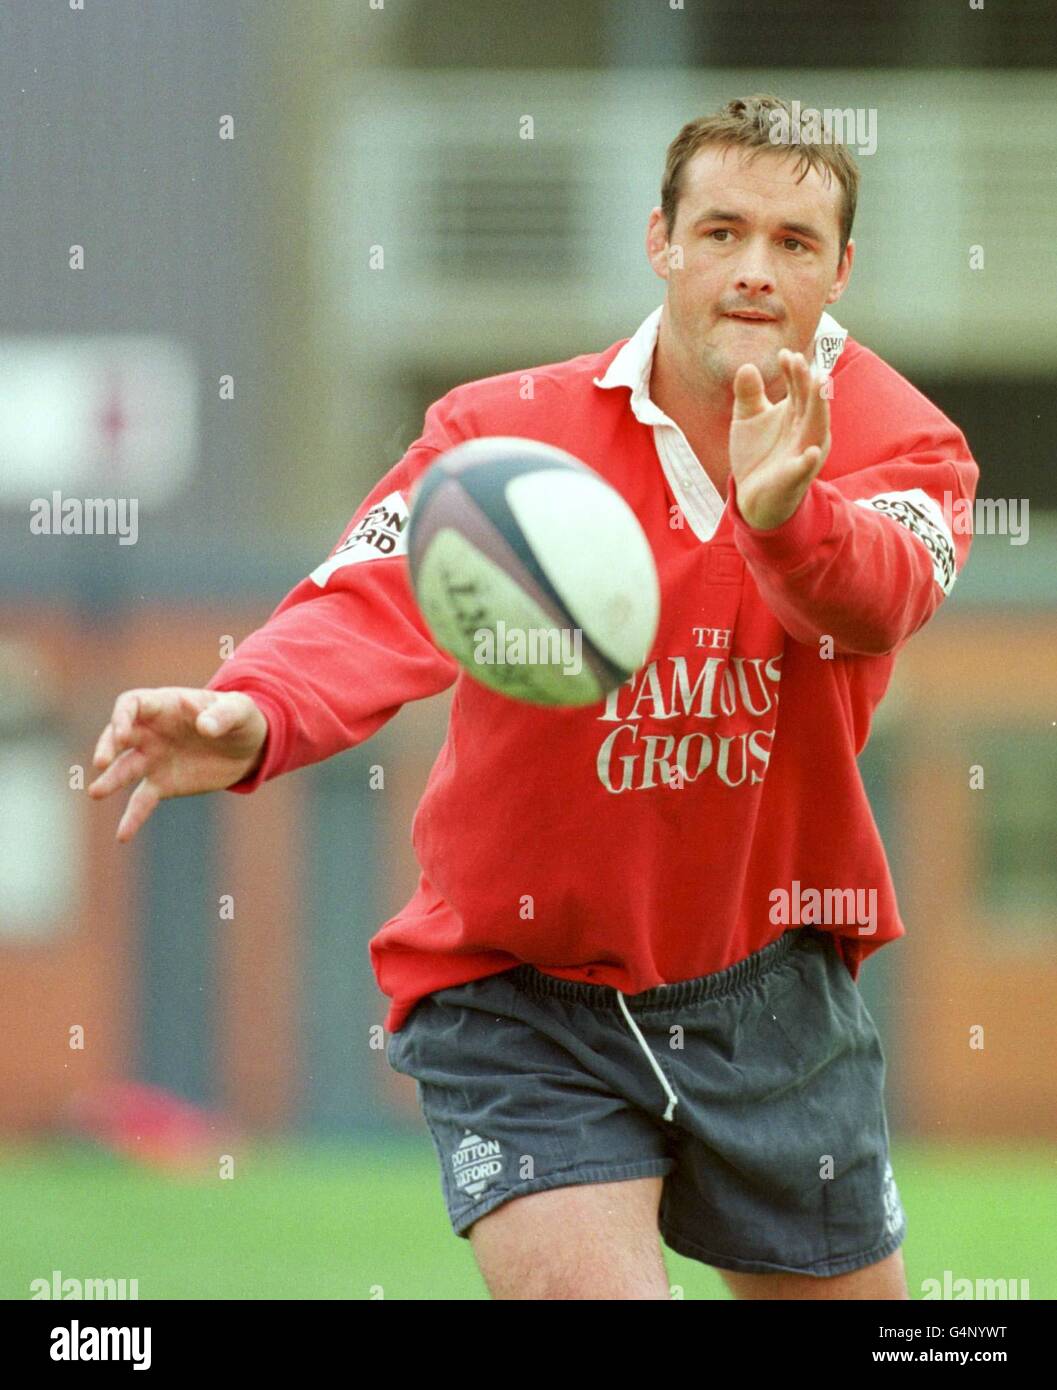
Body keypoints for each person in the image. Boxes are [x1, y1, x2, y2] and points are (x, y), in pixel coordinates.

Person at [89, 94, 979, 1300]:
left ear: (841, 270)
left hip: (769, 987)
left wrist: (788, 517)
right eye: (719, 232)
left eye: (792, 242)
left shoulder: (905, 443)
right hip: (519, 991)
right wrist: (255, 710)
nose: (752, 270)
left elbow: (884, 592)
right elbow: (373, 595)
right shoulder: (505, 435)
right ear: (658, 240)